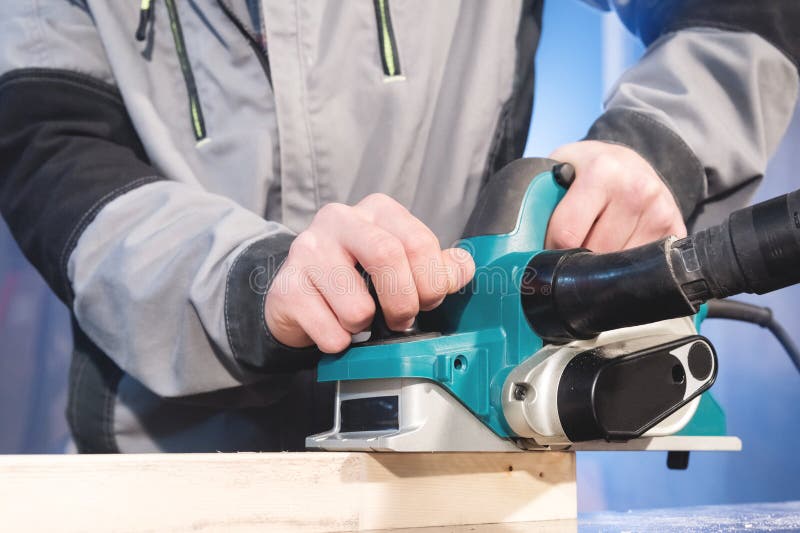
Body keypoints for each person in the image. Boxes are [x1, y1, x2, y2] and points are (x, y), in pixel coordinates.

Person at [0, 1, 797, 453]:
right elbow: (46, 144)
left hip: (465, 449)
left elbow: (749, 16)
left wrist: (657, 147)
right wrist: (247, 283)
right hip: (166, 460)